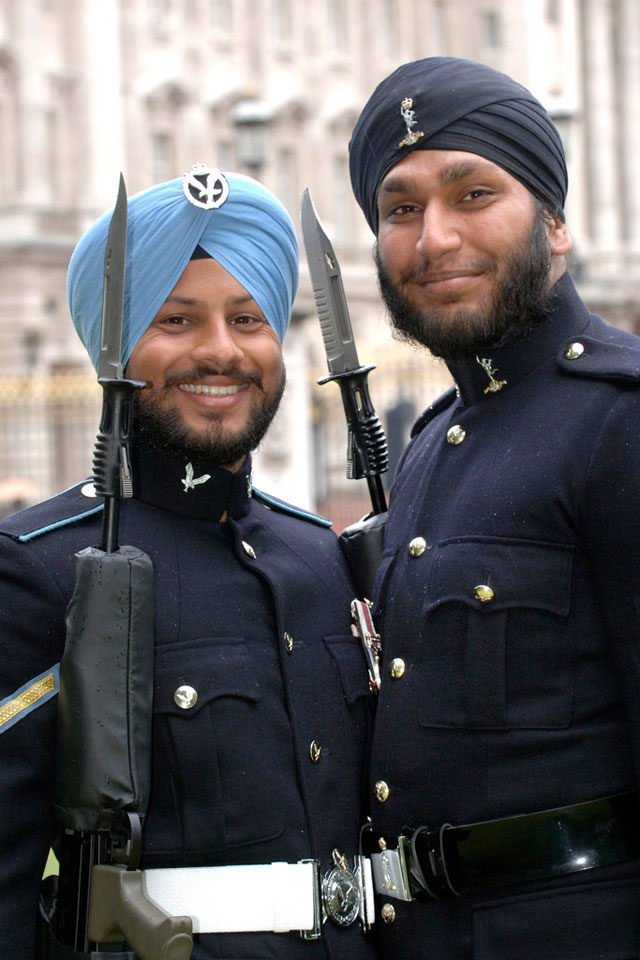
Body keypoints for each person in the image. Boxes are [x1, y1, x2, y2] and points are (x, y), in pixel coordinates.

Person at [0, 165, 378, 960]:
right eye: (176, 320)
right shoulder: (40, 570)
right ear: (117, 348)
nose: (221, 350)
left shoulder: (322, 557)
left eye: (249, 319)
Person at [347, 57, 640, 958]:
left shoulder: (618, 421)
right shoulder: (437, 438)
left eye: (473, 194)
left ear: (554, 225)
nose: (433, 239)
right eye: (401, 209)